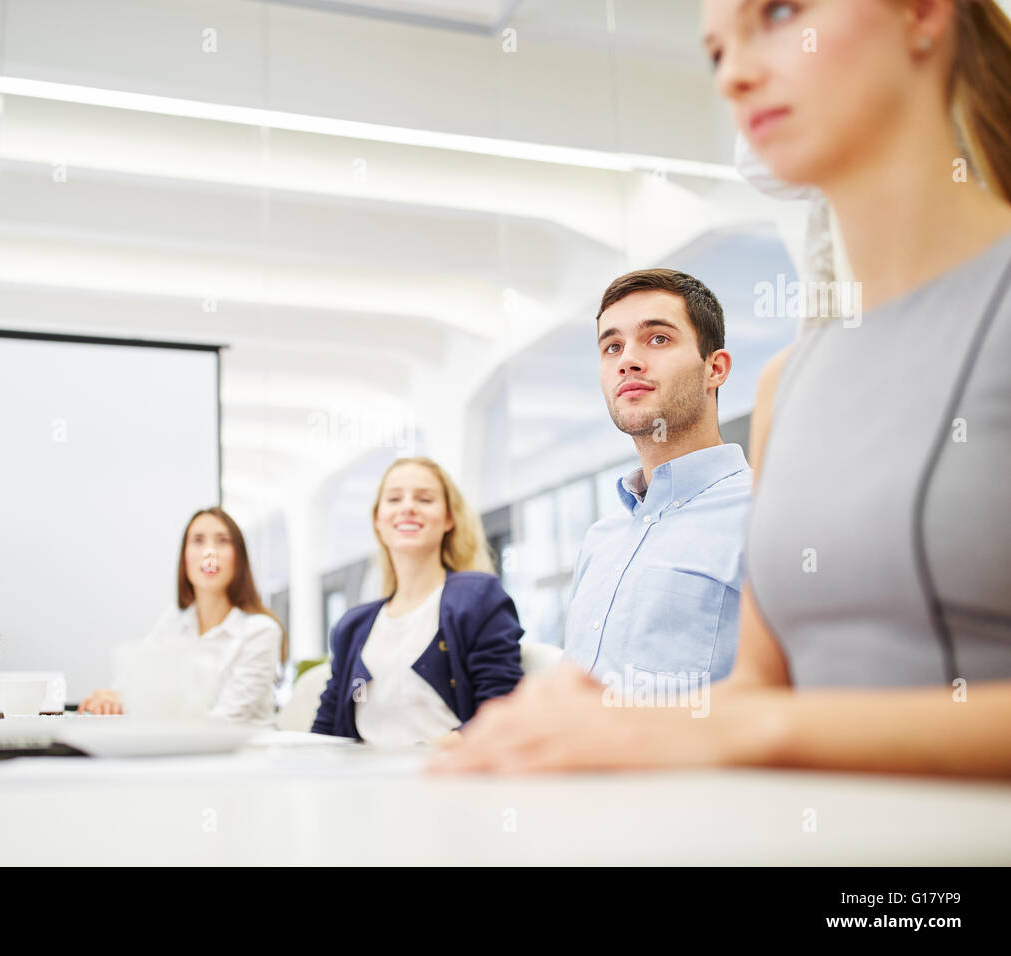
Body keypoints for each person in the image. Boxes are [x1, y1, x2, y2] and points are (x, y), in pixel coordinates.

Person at [433, 0, 1011, 777]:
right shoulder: (791, 387)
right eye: (715, 51)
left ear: (921, 14)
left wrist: (745, 734)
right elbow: (754, 691)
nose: (735, 74)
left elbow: (757, 719)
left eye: (779, 13)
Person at [564, 268, 750, 682]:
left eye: (658, 339)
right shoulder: (600, 539)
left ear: (715, 368)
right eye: (612, 347)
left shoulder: (766, 514)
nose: (627, 360)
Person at [310, 457, 524, 744]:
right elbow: (326, 728)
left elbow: (502, 711)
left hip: (447, 778)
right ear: (378, 520)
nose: (408, 507)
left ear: (449, 518)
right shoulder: (352, 626)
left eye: (425, 499)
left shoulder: (477, 598)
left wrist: (421, 759)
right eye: (394, 498)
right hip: (361, 783)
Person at [79, 507, 284, 724]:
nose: (209, 552)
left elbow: (224, 721)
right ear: (184, 557)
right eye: (198, 540)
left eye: (222, 541)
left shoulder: (260, 631)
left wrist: (131, 704)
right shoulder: (174, 621)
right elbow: (129, 686)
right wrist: (113, 700)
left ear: (239, 558)